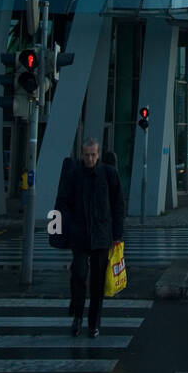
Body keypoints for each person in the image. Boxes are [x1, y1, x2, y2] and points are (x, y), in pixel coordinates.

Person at [55, 140, 123, 338]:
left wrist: (117, 235)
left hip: (102, 236)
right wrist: (63, 230)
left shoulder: (109, 175)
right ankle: (77, 315)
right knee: (79, 276)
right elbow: (62, 202)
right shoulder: (74, 175)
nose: (90, 158)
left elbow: (118, 206)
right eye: (87, 155)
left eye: (93, 155)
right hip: (80, 235)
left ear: (98, 154)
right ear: (81, 154)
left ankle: (94, 323)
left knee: (97, 283)